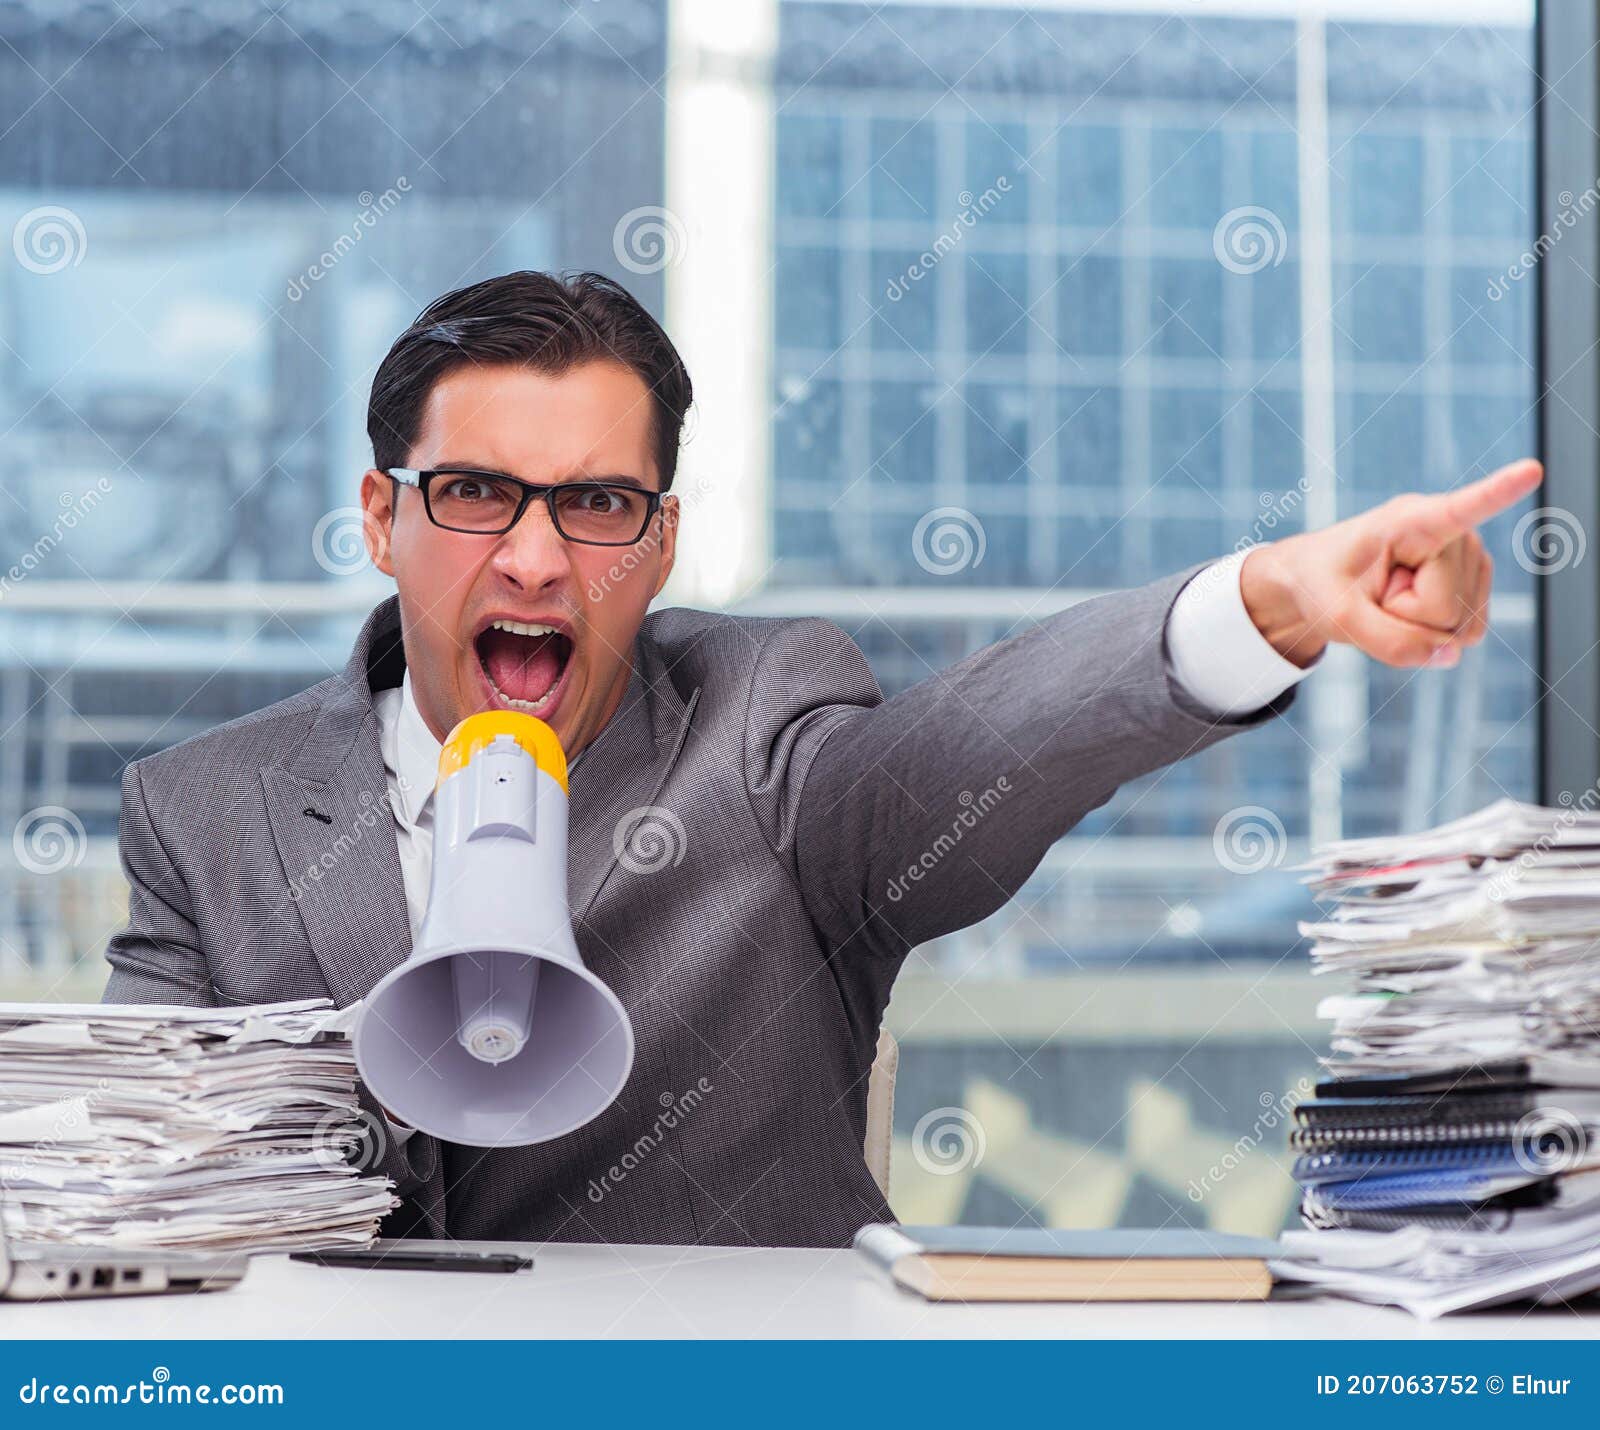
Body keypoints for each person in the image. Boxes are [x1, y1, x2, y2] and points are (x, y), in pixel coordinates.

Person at [103, 269, 1541, 1248]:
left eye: (599, 502)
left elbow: (976, 745)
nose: (536, 558)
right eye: (478, 494)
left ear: (660, 543)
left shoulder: (760, 726)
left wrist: (1267, 603)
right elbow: (122, 1172)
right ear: (379, 516)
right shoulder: (204, 811)